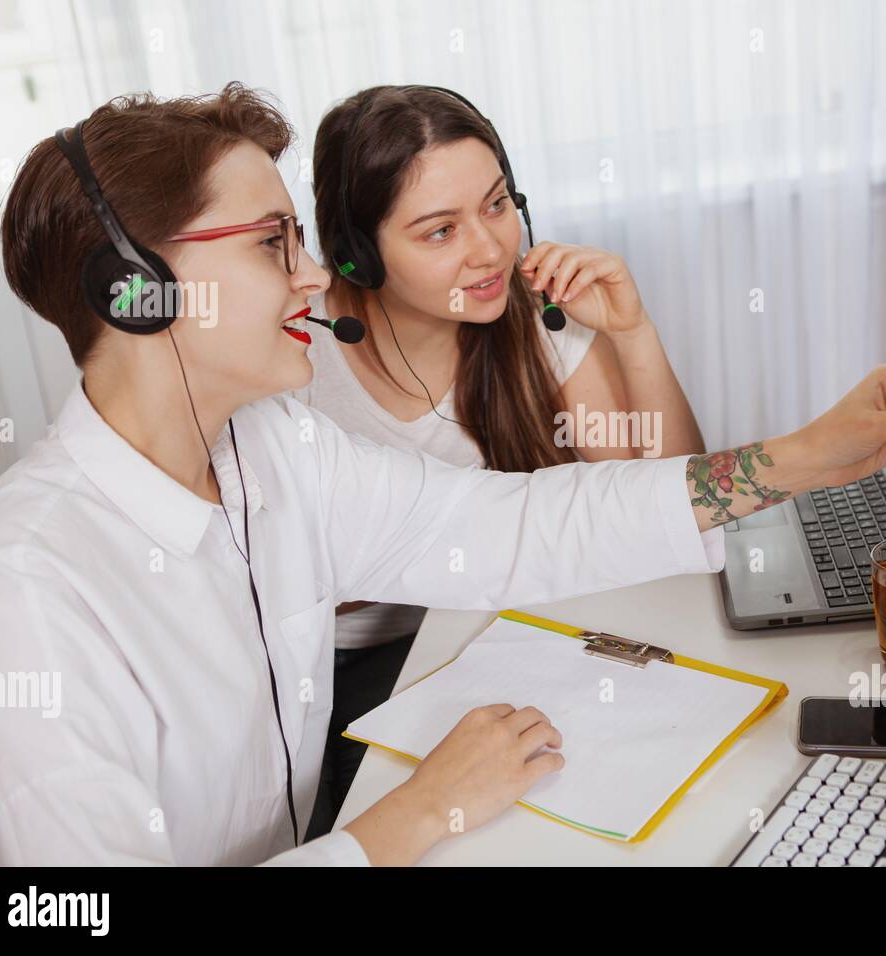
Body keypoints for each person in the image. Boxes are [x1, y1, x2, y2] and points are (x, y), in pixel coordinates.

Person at [0, 83, 886, 866]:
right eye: (276, 244)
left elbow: (519, 524)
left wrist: (809, 453)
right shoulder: (21, 591)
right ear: (138, 292)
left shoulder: (273, 450)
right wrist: (408, 816)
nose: (315, 276)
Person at [296, 86, 708, 836]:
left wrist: (634, 333)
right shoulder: (298, 357)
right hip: (366, 668)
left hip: (512, 631)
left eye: (496, 205)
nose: (490, 248)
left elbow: (665, 505)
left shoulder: (530, 311)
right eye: (439, 231)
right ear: (357, 251)